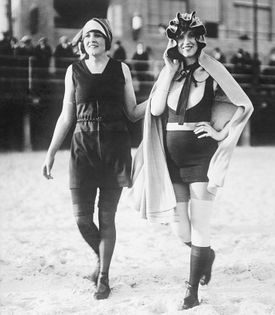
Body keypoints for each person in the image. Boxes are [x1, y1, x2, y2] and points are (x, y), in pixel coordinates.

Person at [130, 11, 253, 310]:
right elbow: (157, 109)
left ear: (200, 39)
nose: (186, 43)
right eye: (180, 38)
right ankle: (205, 254)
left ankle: (192, 289)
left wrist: (219, 130)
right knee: (180, 228)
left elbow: (242, 104)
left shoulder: (212, 70)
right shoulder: (169, 71)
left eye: (190, 37)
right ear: (173, 41)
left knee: (200, 224)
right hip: (170, 158)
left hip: (201, 156)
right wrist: (169, 72)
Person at [42, 18, 145, 300]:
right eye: (87, 35)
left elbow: (134, 112)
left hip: (115, 146)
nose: (92, 39)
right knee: (81, 219)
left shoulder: (121, 68)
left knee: (107, 217)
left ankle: (103, 276)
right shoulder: (73, 71)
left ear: (107, 39)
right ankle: (101, 258)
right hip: (82, 148)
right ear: (82, 41)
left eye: (98, 35)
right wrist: (51, 152)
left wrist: (161, 92)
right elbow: (66, 116)